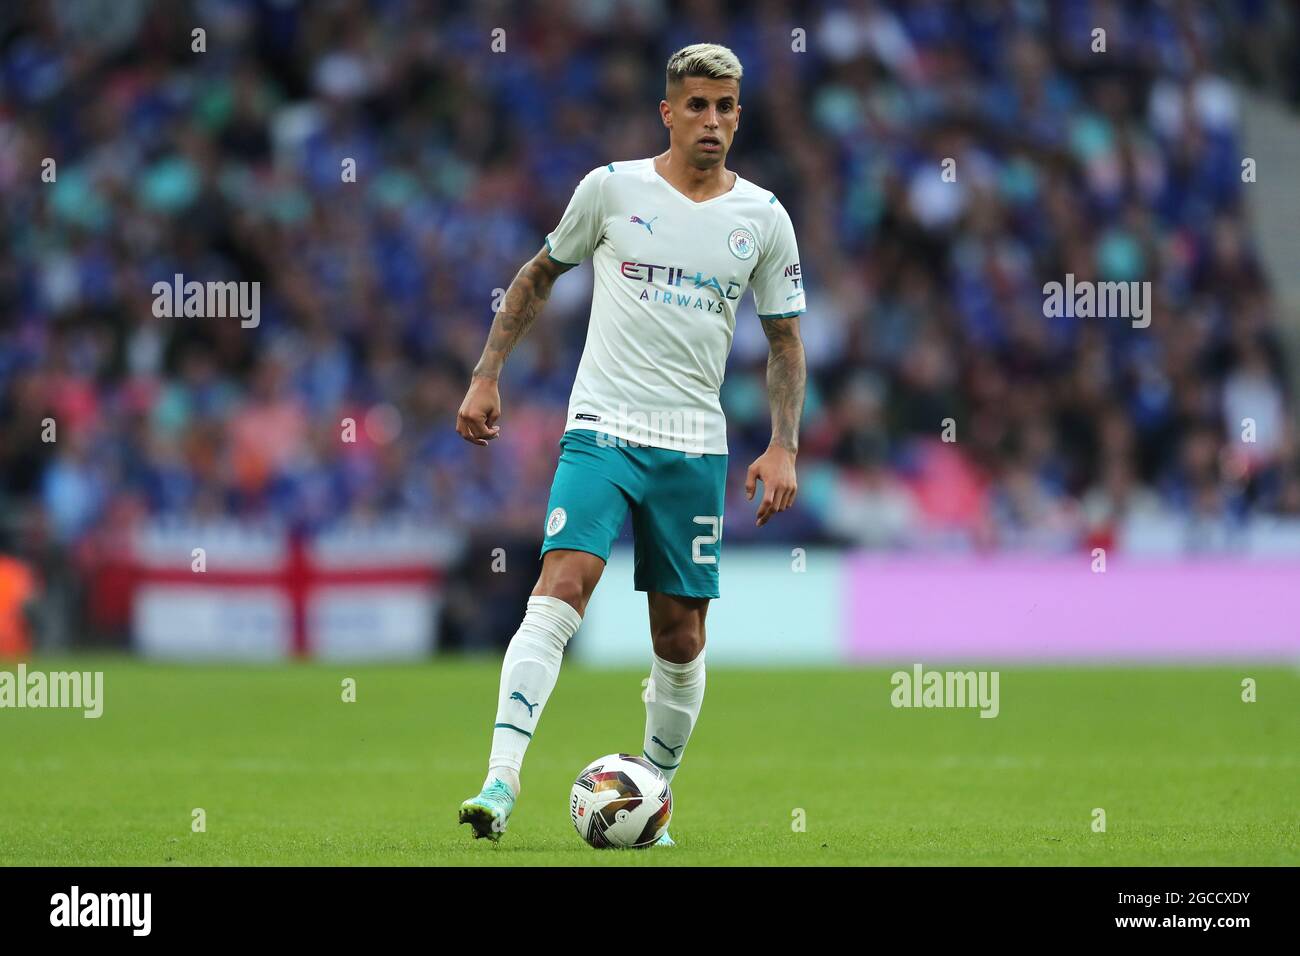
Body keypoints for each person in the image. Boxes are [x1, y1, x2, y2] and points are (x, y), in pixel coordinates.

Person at [454, 43, 807, 845]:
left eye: (724, 107)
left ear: (738, 116)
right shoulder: (611, 189)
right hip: (602, 429)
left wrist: (783, 444)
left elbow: (785, 341)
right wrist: (486, 375)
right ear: (668, 112)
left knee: (678, 636)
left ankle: (652, 795)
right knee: (564, 582)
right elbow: (539, 274)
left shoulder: (764, 218)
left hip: (693, 449)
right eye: (696, 105)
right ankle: (499, 784)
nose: (711, 120)